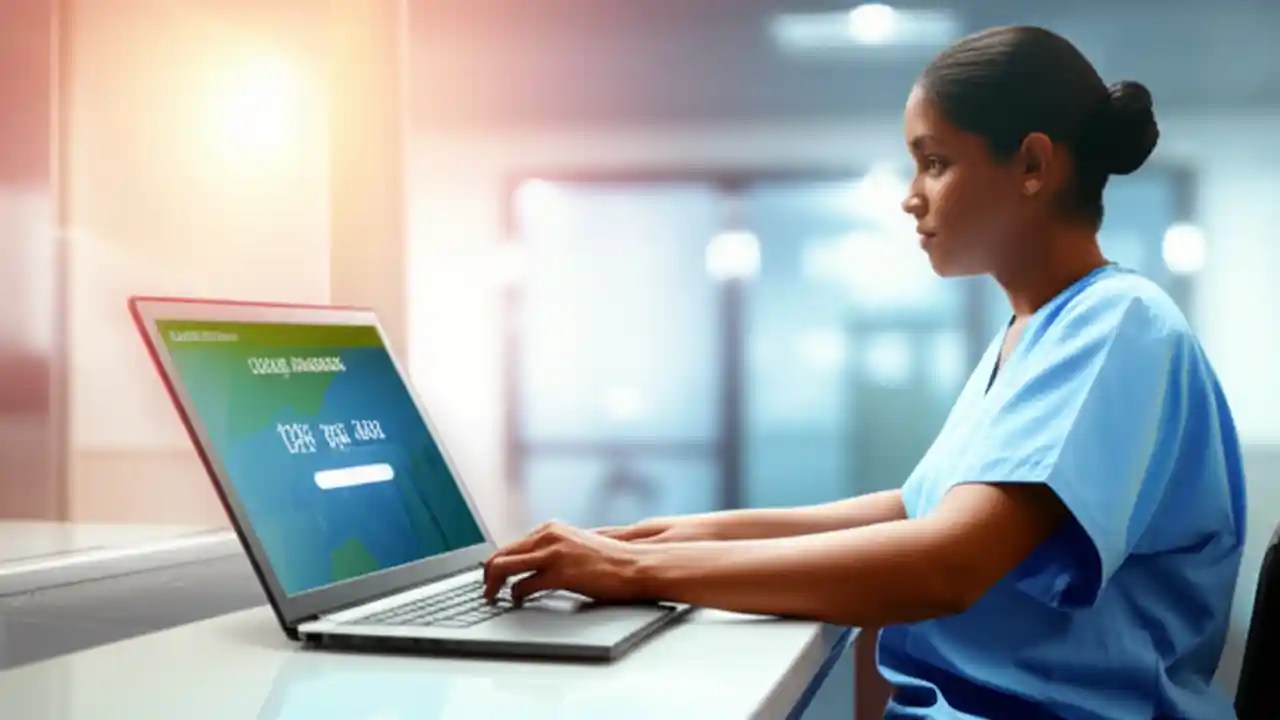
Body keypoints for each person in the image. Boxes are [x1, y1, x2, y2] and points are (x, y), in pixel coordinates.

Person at [483, 25, 1246, 719]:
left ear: (1033, 164)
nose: (912, 198)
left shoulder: (1117, 326)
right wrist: (678, 534)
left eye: (936, 162)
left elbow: (945, 562)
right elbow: (917, 509)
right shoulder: (1032, 332)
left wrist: (642, 570)